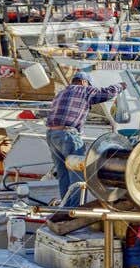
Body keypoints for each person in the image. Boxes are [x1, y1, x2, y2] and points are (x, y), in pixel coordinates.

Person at [46, 72, 126, 204]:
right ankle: (74, 209)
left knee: (63, 174)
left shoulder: (62, 92)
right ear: (84, 82)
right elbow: (106, 93)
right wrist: (120, 86)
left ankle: (65, 207)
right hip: (68, 135)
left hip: (51, 135)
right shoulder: (84, 90)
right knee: (78, 174)